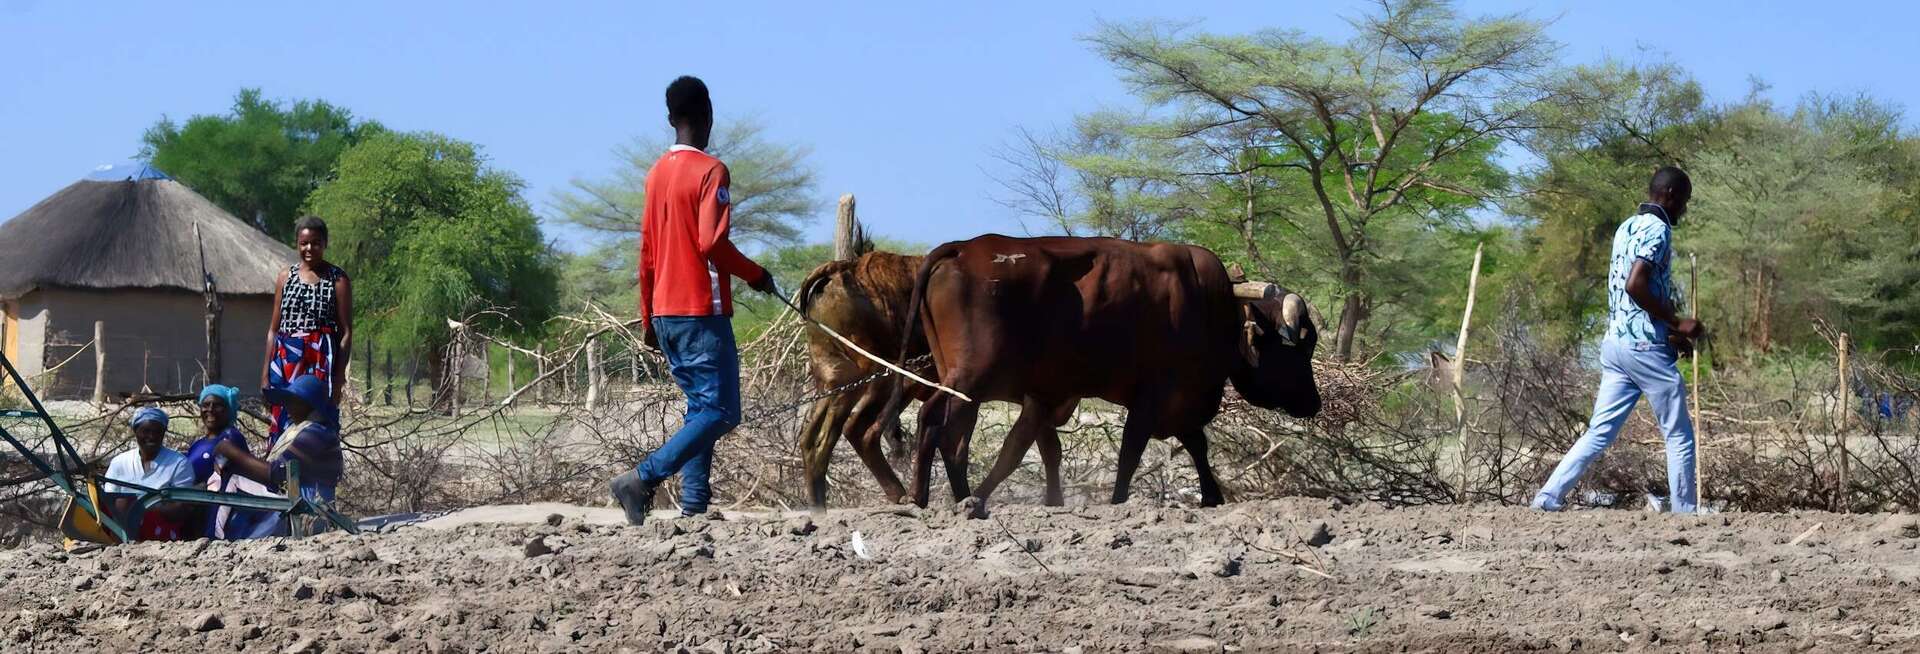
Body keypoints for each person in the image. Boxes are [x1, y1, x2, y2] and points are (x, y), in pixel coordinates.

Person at [610, 75, 780, 526]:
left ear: (670, 119)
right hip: (701, 310)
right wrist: (756, 275)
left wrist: (647, 315)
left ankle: (695, 506)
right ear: (709, 114)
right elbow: (712, 244)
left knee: (701, 409)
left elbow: (646, 252)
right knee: (723, 411)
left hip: (665, 311)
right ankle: (641, 479)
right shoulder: (711, 171)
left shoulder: (655, 174)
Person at [1534, 166, 1707, 513]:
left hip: (1616, 346)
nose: (1683, 211)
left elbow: (1637, 297)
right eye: (1683, 202)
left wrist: (1670, 333)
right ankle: (1686, 513)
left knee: (1599, 432)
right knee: (1678, 435)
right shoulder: (1659, 229)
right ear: (1671, 196)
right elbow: (1636, 285)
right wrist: (1679, 322)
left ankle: (1547, 497)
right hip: (1643, 350)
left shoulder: (1626, 227)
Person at [215, 375, 345, 536]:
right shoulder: (308, 430)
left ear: (307, 404)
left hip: (309, 509)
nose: (287, 407)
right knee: (234, 473)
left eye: (293, 401)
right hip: (299, 502)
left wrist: (231, 451)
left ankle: (216, 536)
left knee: (233, 479)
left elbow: (277, 473)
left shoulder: (315, 434)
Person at [262, 215, 353, 446]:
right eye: (304, 243)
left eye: (315, 242)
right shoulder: (286, 277)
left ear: (325, 244)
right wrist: (265, 375)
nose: (309, 248)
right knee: (283, 422)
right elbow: (274, 330)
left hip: (320, 363)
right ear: (297, 244)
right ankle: (281, 478)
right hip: (285, 363)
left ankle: (314, 478)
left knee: (317, 423)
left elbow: (346, 333)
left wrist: (339, 377)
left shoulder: (338, 279)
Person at [102, 407, 197, 540]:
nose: (151, 437)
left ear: (164, 433)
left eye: (157, 432)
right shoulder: (120, 462)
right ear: (135, 431)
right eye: (145, 431)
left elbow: (182, 506)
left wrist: (146, 510)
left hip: (161, 530)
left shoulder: (178, 463)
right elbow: (109, 499)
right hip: (121, 527)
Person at [186, 384, 261, 538]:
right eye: (206, 405)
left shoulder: (230, 438)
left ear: (229, 409)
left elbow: (219, 474)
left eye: (218, 405)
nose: (210, 410)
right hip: (196, 513)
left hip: (221, 514)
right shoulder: (197, 445)